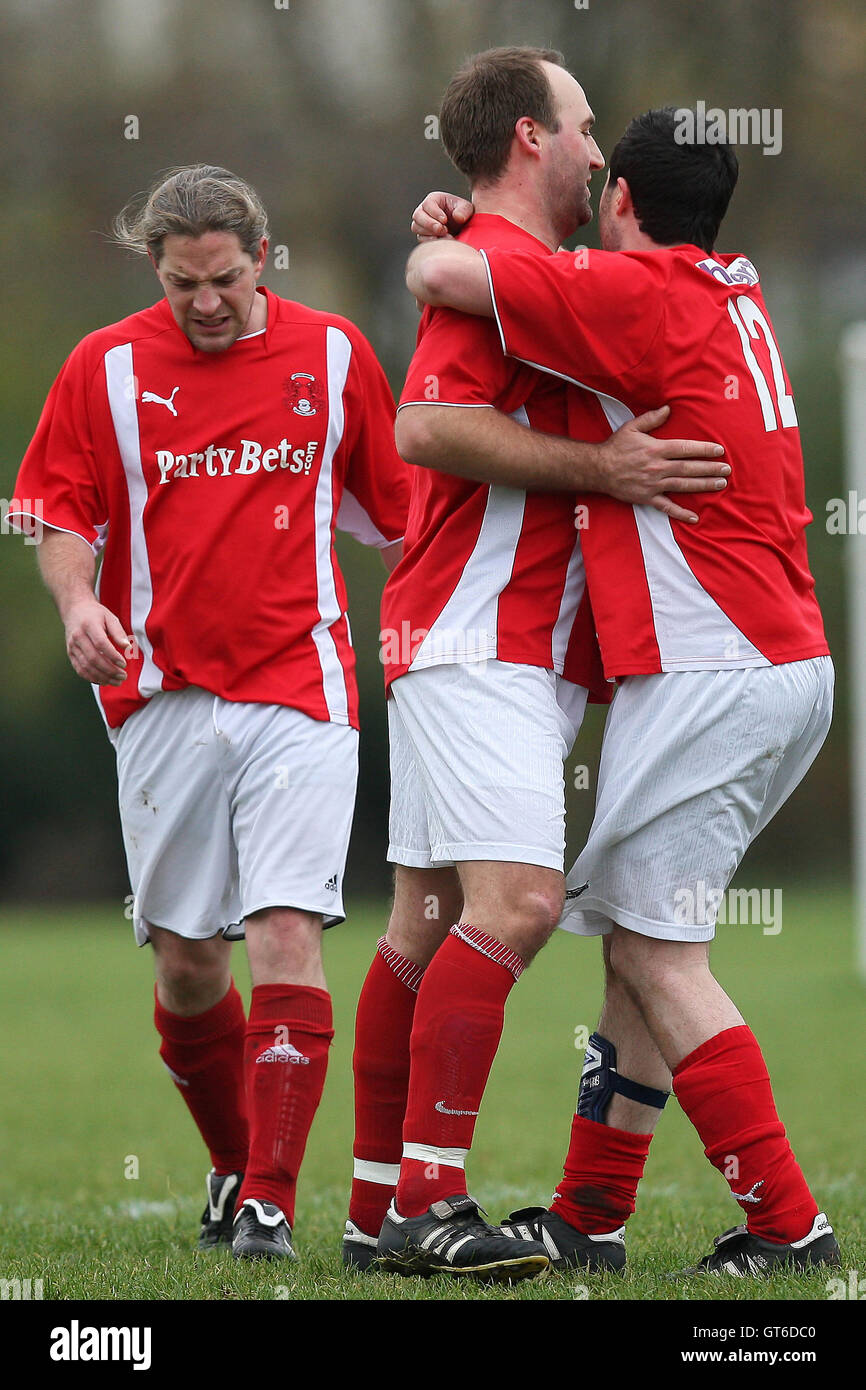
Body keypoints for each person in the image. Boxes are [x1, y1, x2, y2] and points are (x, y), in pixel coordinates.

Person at [402, 105, 840, 1278]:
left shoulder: (637, 292)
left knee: (658, 958)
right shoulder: (729, 288)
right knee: (643, 942)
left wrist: (441, 226)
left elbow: (444, 271)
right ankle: (589, 1215)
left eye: (606, 185)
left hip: (716, 670)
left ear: (629, 206)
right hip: (773, 660)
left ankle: (787, 1225)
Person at [343, 51, 731, 1283]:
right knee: (512, 907)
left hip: (485, 642)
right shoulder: (497, 273)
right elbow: (422, 428)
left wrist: (441, 229)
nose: (594, 145)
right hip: (474, 636)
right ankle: (426, 1201)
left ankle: (370, 1209)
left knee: (425, 922)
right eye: (580, 125)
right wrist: (604, 471)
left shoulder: (538, 272)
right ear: (529, 138)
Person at [5, 164, 410, 1263]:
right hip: (161, 696)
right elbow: (54, 509)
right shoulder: (104, 367)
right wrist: (78, 599)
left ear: (261, 259)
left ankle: (270, 1203)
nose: (207, 302)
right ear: (156, 269)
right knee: (189, 965)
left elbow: (400, 516)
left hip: (302, 684)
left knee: (284, 927)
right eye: (185, 284)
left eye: (224, 280)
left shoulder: (332, 355)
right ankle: (234, 1160)